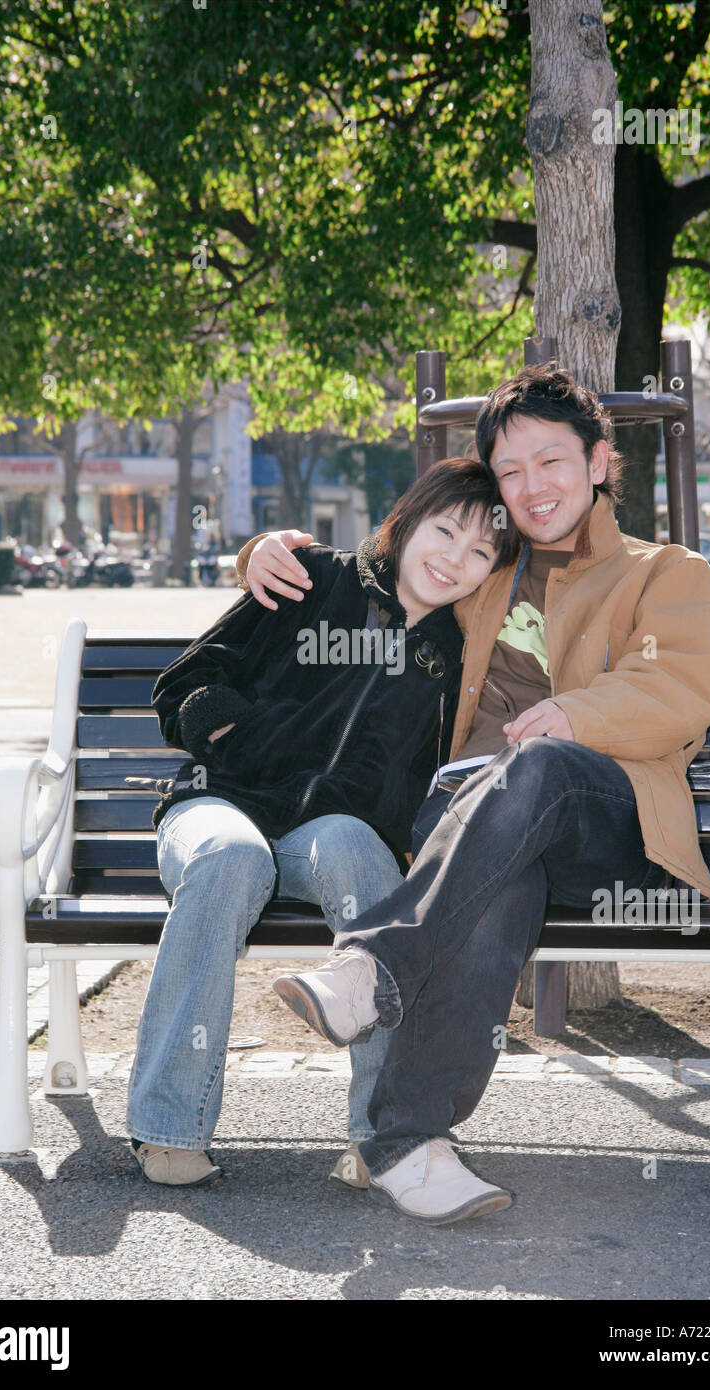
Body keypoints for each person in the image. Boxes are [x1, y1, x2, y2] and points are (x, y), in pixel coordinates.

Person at [241, 364, 710, 1225]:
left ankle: (374, 967)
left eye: (551, 461)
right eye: (511, 471)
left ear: (599, 460)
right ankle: (405, 1149)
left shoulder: (667, 573)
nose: (532, 486)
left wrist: (569, 716)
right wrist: (266, 550)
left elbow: (676, 694)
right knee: (504, 867)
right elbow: (385, 572)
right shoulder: (486, 575)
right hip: (472, 824)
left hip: (604, 818)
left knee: (533, 770)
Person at [126, 457, 501, 1186]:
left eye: (480, 551)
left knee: (362, 853)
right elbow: (186, 683)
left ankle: (383, 1135)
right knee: (231, 858)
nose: (455, 558)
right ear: (408, 520)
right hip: (220, 805)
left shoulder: (457, 655)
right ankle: (168, 1126)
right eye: (445, 530)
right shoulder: (311, 578)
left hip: (325, 836)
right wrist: (235, 738)